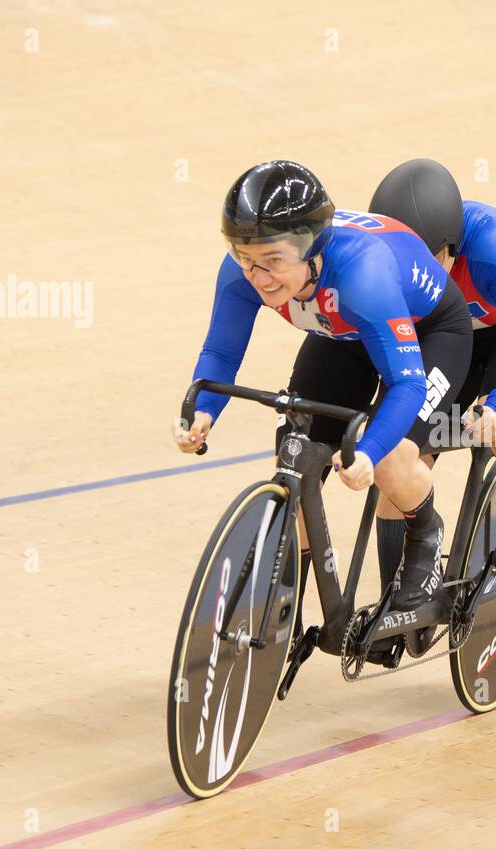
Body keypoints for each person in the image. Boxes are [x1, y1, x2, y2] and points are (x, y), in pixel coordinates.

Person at [172, 160, 473, 614]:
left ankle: (426, 530)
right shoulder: (246, 267)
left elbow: (408, 386)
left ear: (313, 250)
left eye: (273, 263)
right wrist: (203, 412)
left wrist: (369, 452)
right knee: (298, 458)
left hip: (429, 333)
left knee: (391, 455)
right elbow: (221, 354)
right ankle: (281, 614)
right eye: (247, 259)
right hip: (343, 334)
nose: (259, 277)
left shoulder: (361, 274)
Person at [369, 158, 496, 580]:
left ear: (450, 247)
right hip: (457, 337)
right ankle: (395, 598)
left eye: (423, 259)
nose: (413, 271)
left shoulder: (495, 248)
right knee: (400, 452)